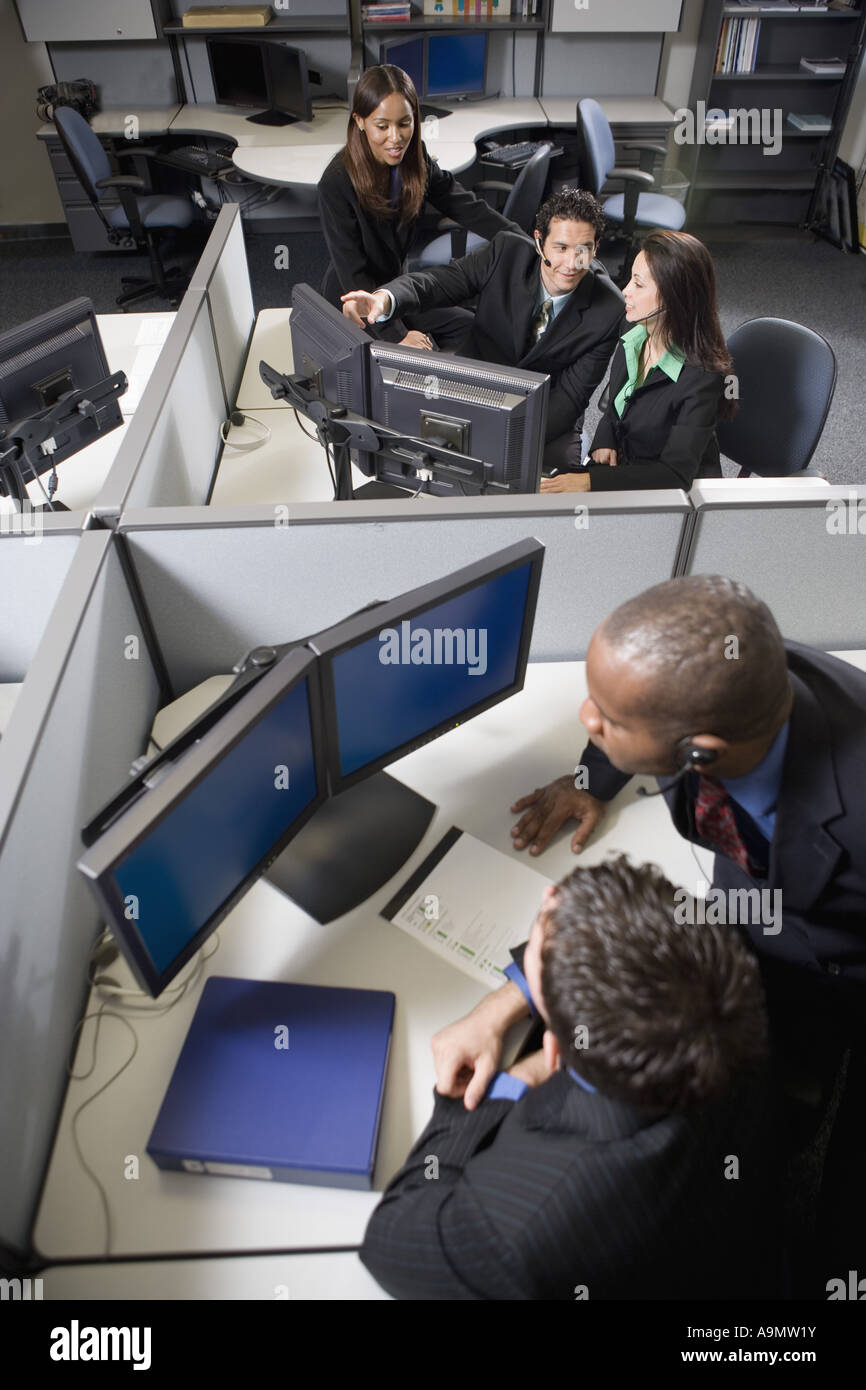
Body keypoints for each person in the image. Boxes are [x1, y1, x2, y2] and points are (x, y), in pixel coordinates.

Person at [436, 575, 866, 1283]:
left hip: (846, 960)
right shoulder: (723, 676)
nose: (587, 717)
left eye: (605, 717)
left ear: (701, 750)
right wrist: (588, 779)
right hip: (758, 915)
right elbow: (645, 708)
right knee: (747, 1109)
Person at [360, 856, 783, 1301]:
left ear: (555, 1051)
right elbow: (637, 940)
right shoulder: (726, 977)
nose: (548, 899)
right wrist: (498, 1008)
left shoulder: (517, 1232)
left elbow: (391, 1239)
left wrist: (489, 1090)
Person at [341, 188, 625, 472]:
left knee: (548, 484)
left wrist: (501, 436)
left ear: (596, 247)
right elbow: (437, 283)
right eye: (561, 248)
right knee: (416, 455)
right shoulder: (506, 251)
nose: (571, 264)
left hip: (545, 413)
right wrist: (383, 299)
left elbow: (569, 398)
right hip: (476, 384)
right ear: (539, 242)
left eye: (583, 250)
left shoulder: (609, 308)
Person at [317, 65, 521, 351]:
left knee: (473, 330)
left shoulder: (416, 158)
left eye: (404, 123)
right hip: (357, 305)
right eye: (382, 126)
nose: (395, 138)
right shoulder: (336, 182)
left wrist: (526, 242)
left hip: (397, 289)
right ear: (360, 121)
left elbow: (464, 204)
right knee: (413, 360)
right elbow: (354, 274)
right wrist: (397, 336)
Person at [540, 229, 732, 493]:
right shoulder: (634, 331)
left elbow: (675, 475)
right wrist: (604, 437)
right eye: (631, 279)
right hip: (626, 468)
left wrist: (590, 482)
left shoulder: (701, 378)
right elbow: (617, 403)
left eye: (639, 284)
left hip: (672, 494)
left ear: (674, 297)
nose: (625, 291)